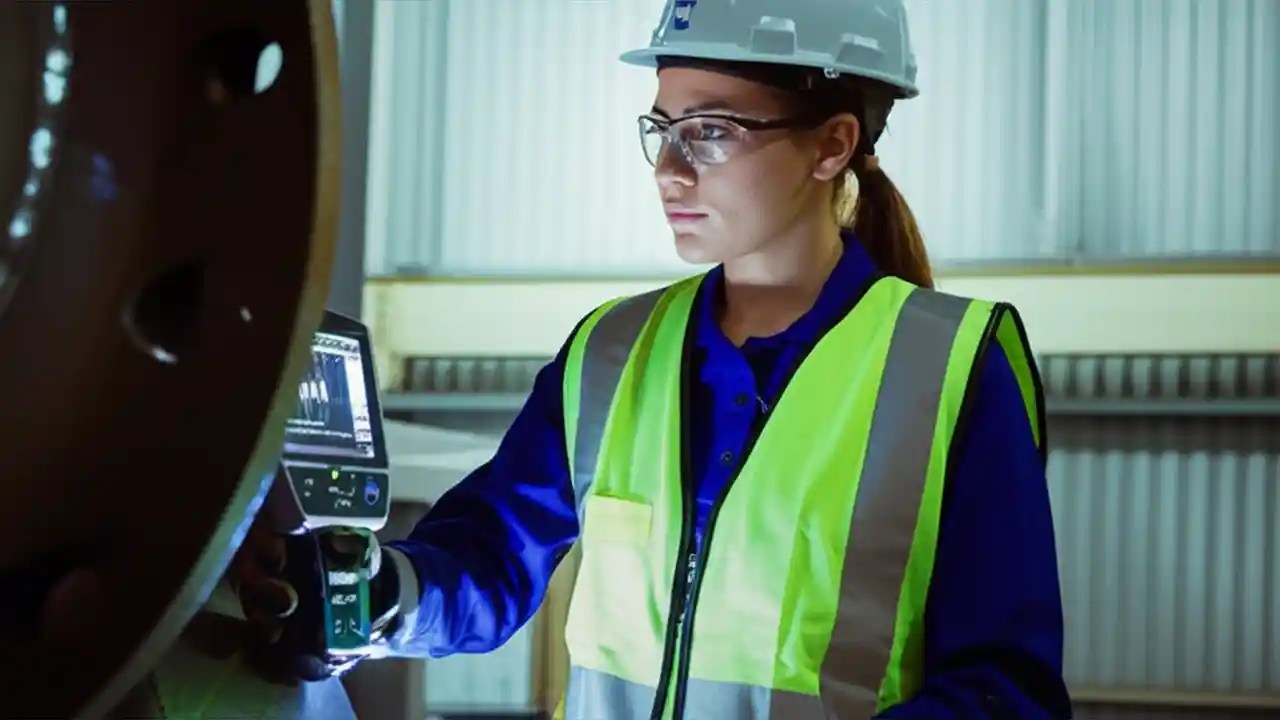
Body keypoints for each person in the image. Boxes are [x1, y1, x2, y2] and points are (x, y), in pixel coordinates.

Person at [236, 0, 1073, 717]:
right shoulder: (611, 351)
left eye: (712, 131)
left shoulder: (954, 363)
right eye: (663, 128)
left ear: (832, 146)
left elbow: (1004, 687)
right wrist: (382, 598)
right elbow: (490, 557)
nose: (670, 171)